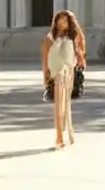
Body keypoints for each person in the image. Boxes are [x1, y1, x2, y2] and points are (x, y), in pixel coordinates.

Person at [41, 9, 86, 149]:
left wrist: (80, 60)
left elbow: (78, 54)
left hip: (68, 72)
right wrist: (45, 75)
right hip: (56, 73)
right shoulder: (50, 38)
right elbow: (45, 57)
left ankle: (70, 133)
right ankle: (59, 136)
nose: (62, 23)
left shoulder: (73, 38)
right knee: (58, 105)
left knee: (66, 104)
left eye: (66, 20)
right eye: (60, 20)